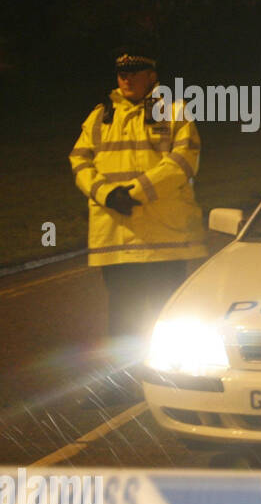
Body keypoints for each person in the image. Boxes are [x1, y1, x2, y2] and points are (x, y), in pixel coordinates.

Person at [69, 47, 207, 406]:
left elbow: (182, 162)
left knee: (166, 314)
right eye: (121, 73)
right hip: (117, 235)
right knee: (122, 317)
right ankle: (119, 386)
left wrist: (133, 193)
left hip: (164, 236)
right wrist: (105, 193)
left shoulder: (175, 112)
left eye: (134, 72)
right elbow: (80, 160)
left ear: (151, 76)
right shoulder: (100, 117)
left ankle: (172, 381)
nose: (126, 79)